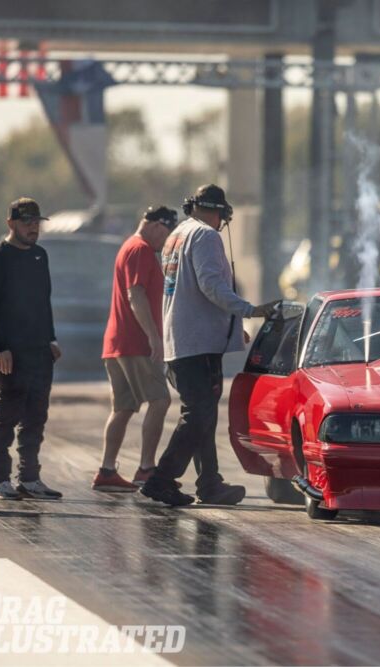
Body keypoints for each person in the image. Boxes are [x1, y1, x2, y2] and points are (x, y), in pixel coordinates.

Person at [140, 184, 279, 507]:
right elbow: (210, 285)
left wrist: (230, 327)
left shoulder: (177, 235)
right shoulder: (206, 236)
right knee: (198, 414)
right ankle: (161, 480)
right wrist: (250, 311)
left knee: (202, 415)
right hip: (197, 344)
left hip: (181, 341)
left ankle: (209, 483)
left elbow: (191, 291)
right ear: (218, 212)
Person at [0, 198, 63, 500]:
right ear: (11, 223)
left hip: (40, 350)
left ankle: (29, 478)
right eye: (27, 222)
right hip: (10, 353)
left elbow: (44, 302)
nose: (33, 228)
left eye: (36, 222)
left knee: (36, 417)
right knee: (6, 415)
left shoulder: (40, 256)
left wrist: (51, 339)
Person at [93, 206, 179, 492]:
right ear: (156, 225)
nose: (165, 241)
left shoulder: (129, 247)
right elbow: (136, 294)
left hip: (117, 343)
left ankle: (107, 470)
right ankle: (146, 468)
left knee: (124, 407)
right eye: (167, 233)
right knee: (160, 400)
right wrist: (154, 338)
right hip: (136, 343)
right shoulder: (140, 249)